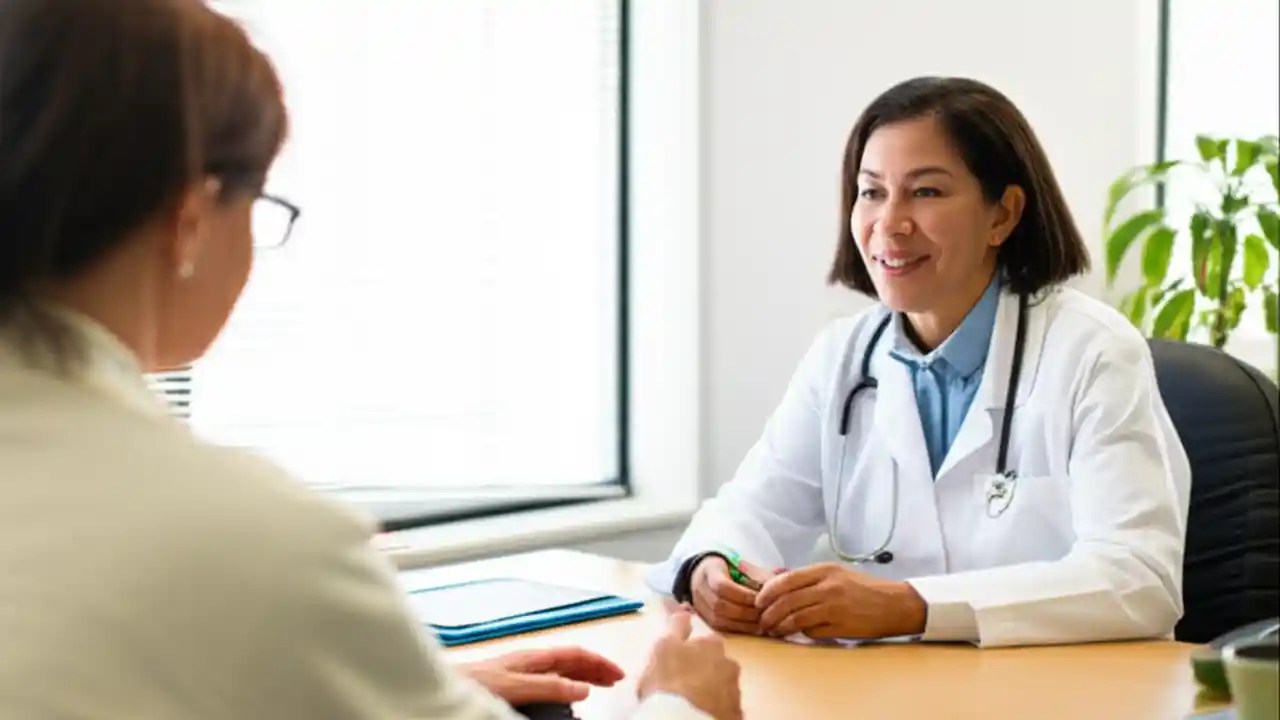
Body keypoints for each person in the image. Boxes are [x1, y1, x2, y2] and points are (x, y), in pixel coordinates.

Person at [0, 2, 741, 718]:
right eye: (260, 204)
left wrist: (383, 683)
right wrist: (686, 705)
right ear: (188, 222)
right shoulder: (248, 534)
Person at [648, 76, 1191, 648]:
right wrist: (710, 566)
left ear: (1003, 215)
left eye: (926, 192)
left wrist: (911, 606)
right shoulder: (844, 357)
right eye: (872, 192)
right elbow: (752, 509)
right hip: (893, 692)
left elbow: (1139, 579)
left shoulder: (1093, 352)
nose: (890, 223)